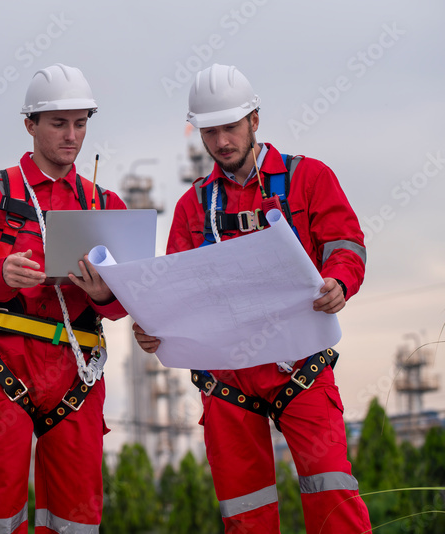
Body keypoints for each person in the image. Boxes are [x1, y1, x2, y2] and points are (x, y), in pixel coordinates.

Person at [133, 63, 370, 533]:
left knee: (333, 498)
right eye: (210, 131)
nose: (221, 141)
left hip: (298, 366)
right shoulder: (193, 206)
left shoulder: (309, 178)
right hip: (226, 379)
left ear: (254, 121)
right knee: (246, 515)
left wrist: (339, 281)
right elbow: (176, 286)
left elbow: (346, 243)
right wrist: (153, 327)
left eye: (231, 127)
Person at [0, 63, 127, 534]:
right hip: (2, 368)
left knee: (77, 519)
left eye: (81, 123)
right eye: (59, 123)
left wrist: (105, 293)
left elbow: (127, 303)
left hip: (78, 375)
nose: (72, 135)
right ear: (30, 125)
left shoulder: (106, 207)